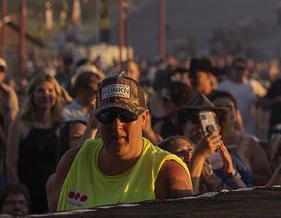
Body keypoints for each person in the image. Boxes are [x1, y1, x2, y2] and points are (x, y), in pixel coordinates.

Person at [50, 74, 192, 211]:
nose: (116, 125)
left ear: (144, 119)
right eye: (107, 116)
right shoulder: (73, 162)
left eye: (126, 115)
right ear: (97, 119)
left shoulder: (167, 172)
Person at [7, 74, 63, 214]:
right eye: (40, 90)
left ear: (56, 95)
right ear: (32, 94)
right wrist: (19, 198)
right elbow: (10, 164)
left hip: (53, 194)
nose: (46, 95)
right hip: (26, 194)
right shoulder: (18, 126)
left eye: (51, 91)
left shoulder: (62, 127)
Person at [217, 57, 267, 136]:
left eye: (242, 68)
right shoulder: (223, 86)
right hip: (228, 132)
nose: (240, 71)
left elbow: (265, 99)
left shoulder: (253, 85)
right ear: (232, 69)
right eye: (237, 68)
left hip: (249, 131)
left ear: (247, 71)